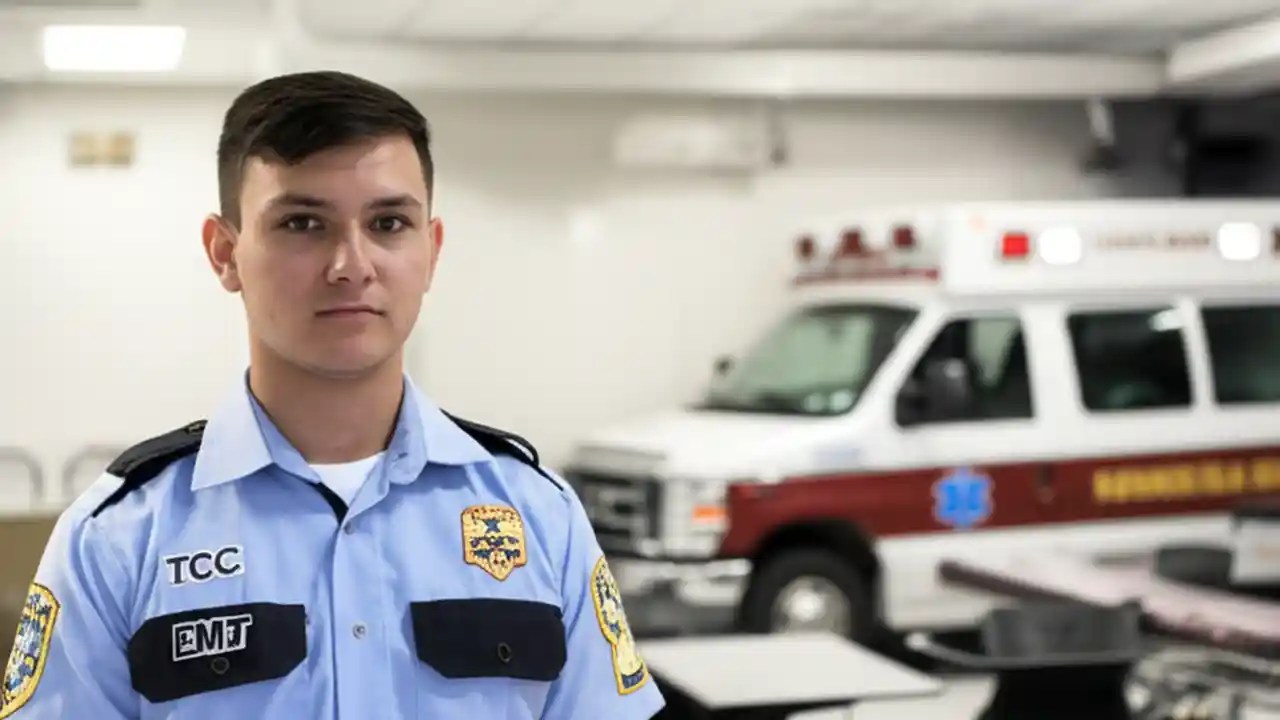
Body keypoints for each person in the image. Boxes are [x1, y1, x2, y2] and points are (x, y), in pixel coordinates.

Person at [0, 70, 665, 719]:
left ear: (431, 250)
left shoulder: (538, 515)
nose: (352, 264)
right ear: (224, 253)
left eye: (388, 223)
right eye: (302, 225)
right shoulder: (117, 537)